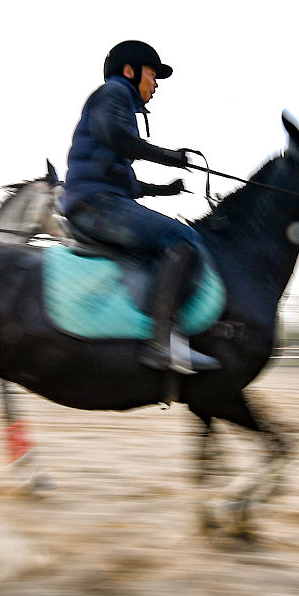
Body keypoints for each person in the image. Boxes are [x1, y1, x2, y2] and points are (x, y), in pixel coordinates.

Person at [61, 40, 221, 374]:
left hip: (101, 201)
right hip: (96, 205)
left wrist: (167, 189)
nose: (156, 84)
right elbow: (118, 138)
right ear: (129, 71)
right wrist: (170, 157)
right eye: (152, 74)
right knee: (183, 240)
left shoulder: (120, 105)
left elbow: (126, 182)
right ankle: (161, 343)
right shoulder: (114, 94)